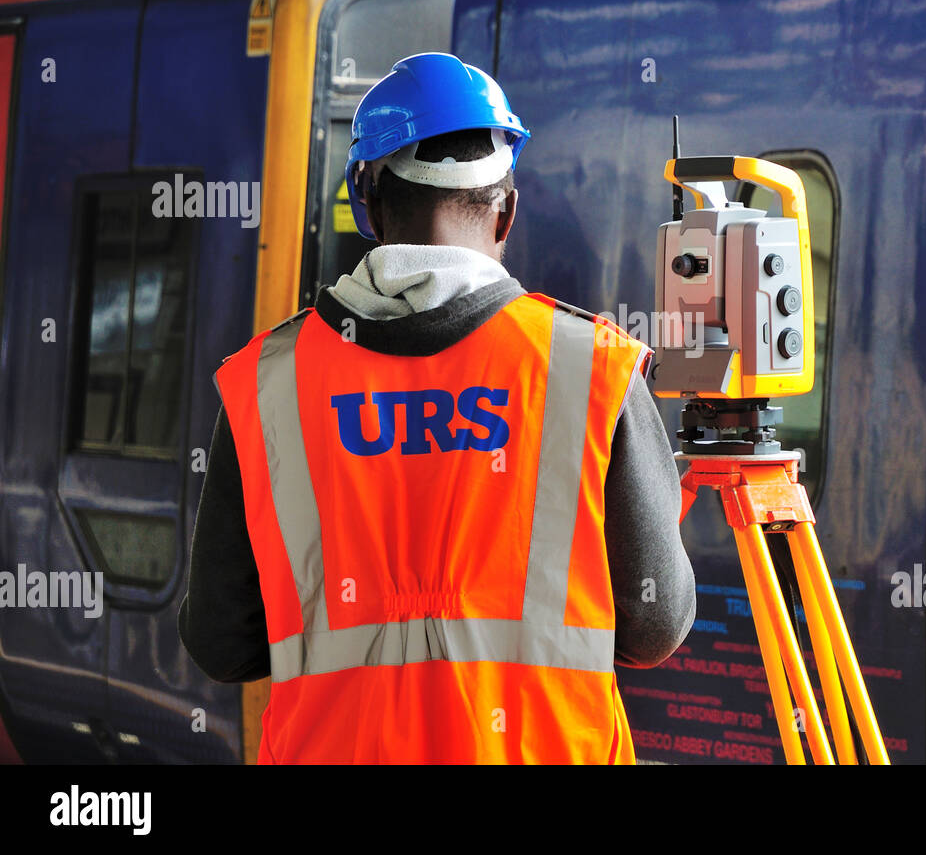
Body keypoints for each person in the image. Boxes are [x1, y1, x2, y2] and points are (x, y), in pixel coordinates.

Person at [178, 53, 695, 764]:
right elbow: (657, 622)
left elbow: (220, 641)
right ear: (506, 211)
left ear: (368, 203)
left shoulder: (269, 383)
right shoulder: (589, 369)